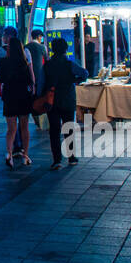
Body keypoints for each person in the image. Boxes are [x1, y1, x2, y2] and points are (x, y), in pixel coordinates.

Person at [39, 37, 88, 170]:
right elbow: (85, 73)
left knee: (54, 131)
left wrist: (39, 97)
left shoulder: (47, 66)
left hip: (52, 101)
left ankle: (57, 160)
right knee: (69, 129)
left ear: (52, 50)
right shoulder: (70, 64)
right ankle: (71, 157)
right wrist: (75, 79)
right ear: (65, 49)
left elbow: (41, 83)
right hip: (67, 100)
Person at [0, 33, 33, 168]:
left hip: (9, 97)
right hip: (23, 97)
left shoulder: (3, 62)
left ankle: (9, 154)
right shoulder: (24, 62)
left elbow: (1, 78)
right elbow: (29, 79)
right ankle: (26, 155)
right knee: (24, 127)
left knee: (11, 129)